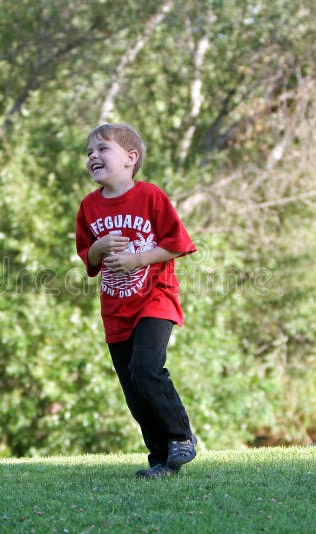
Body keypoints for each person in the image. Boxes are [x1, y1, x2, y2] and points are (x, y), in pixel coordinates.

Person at [75, 122, 198, 479]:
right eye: (89, 152)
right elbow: (90, 259)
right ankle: (161, 459)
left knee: (147, 369)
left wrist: (137, 260)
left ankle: (181, 436)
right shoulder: (89, 207)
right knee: (133, 388)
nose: (93, 156)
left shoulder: (150, 197)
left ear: (131, 158)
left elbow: (178, 243)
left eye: (102, 149)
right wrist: (96, 249)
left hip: (154, 300)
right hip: (116, 309)